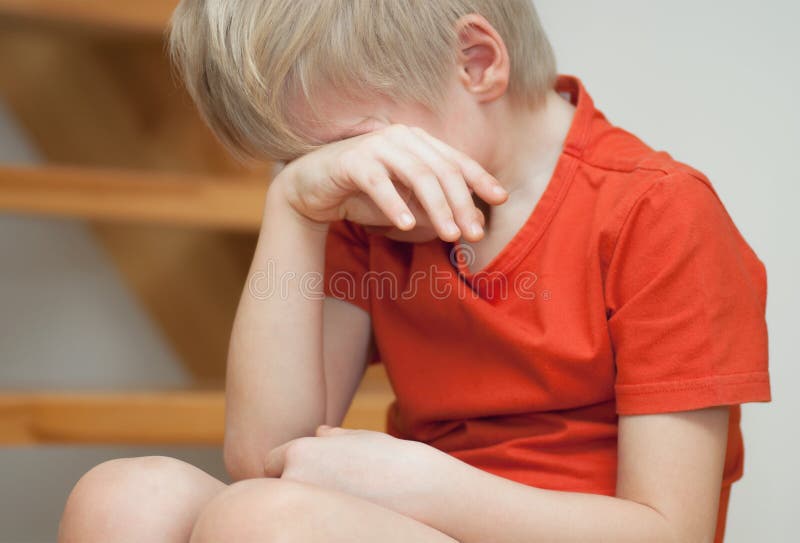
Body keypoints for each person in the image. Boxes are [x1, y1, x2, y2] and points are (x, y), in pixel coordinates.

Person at [58, 1, 771, 542]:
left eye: (343, 151)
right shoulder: (365, 213)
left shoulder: (657, 211)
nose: (341, 185)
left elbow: (666, 530)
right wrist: (294, 206)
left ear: (475, 62)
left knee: (263, 522)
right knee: (122, 495)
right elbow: (263, 451)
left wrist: (425, 484)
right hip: (423, 518)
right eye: (305, 165)